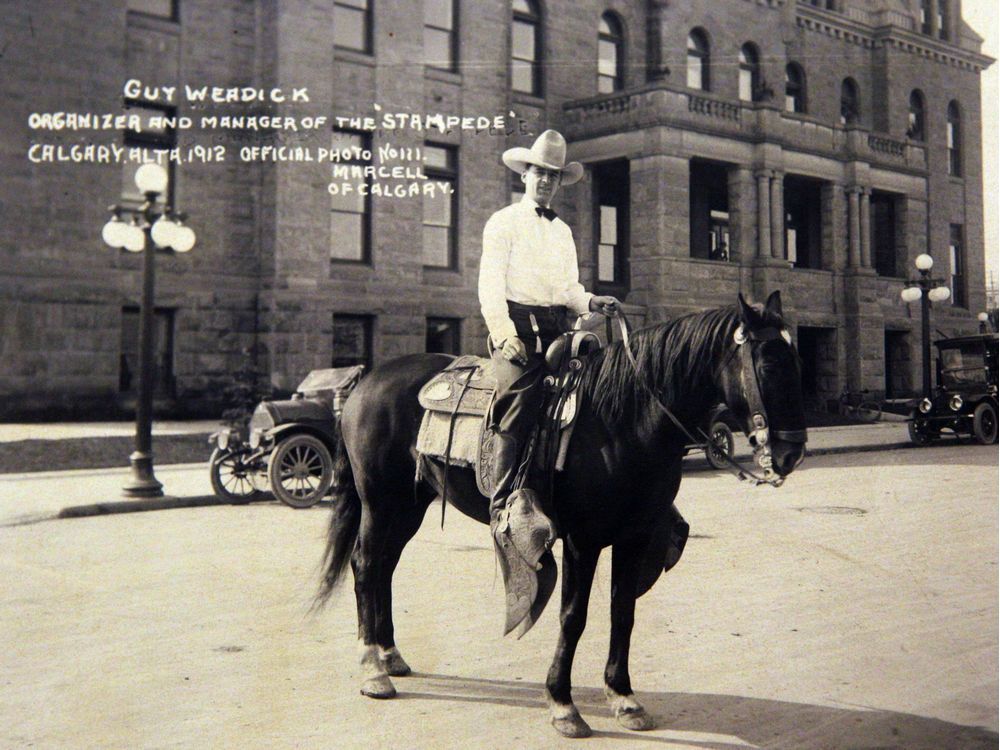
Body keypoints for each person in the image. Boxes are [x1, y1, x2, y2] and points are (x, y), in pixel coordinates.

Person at [478, 129, 620, 551]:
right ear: (525, 174)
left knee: (596, 393)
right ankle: (503, 505)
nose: (545, 182)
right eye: (539, 173)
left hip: (557, 331)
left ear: (559, 183)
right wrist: (504, 337)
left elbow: (568, 290)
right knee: (520, 399)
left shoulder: (562, 232)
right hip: (516, 331)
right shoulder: (503, 222)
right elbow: (489, 287)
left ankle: (578, 491)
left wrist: (593, 300)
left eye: (553, 176)